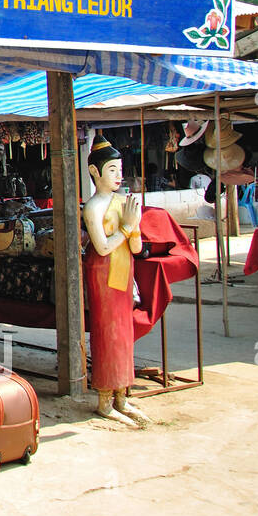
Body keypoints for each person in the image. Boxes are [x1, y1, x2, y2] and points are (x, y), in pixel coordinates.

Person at [81, 140, 150, 429]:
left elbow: (136, 248)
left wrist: (134, 226)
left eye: (119, 169)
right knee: (106, 333)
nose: (117, 175)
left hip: (124, 271)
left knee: (123, 333)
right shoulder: (93, 207)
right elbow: (103, 246)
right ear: (95, 172)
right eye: (111, 169)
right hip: (102, 272)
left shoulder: (124, 203)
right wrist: (126, 226)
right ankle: (105, 399)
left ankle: (122, 395)